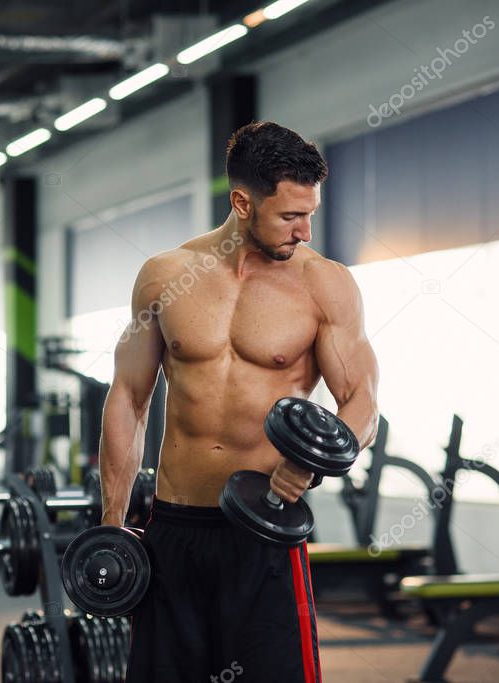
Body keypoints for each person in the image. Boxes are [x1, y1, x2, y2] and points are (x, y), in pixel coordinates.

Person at [99, 121, 380, 682]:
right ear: (242, 203)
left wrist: (307, 464)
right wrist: (112, 521)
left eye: (310, 214)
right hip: (173, 528)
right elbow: (128, 397)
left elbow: (362, 402)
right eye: (290, 216)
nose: (305, 231)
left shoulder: (325, 285)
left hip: (264, 533)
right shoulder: (165, 276)